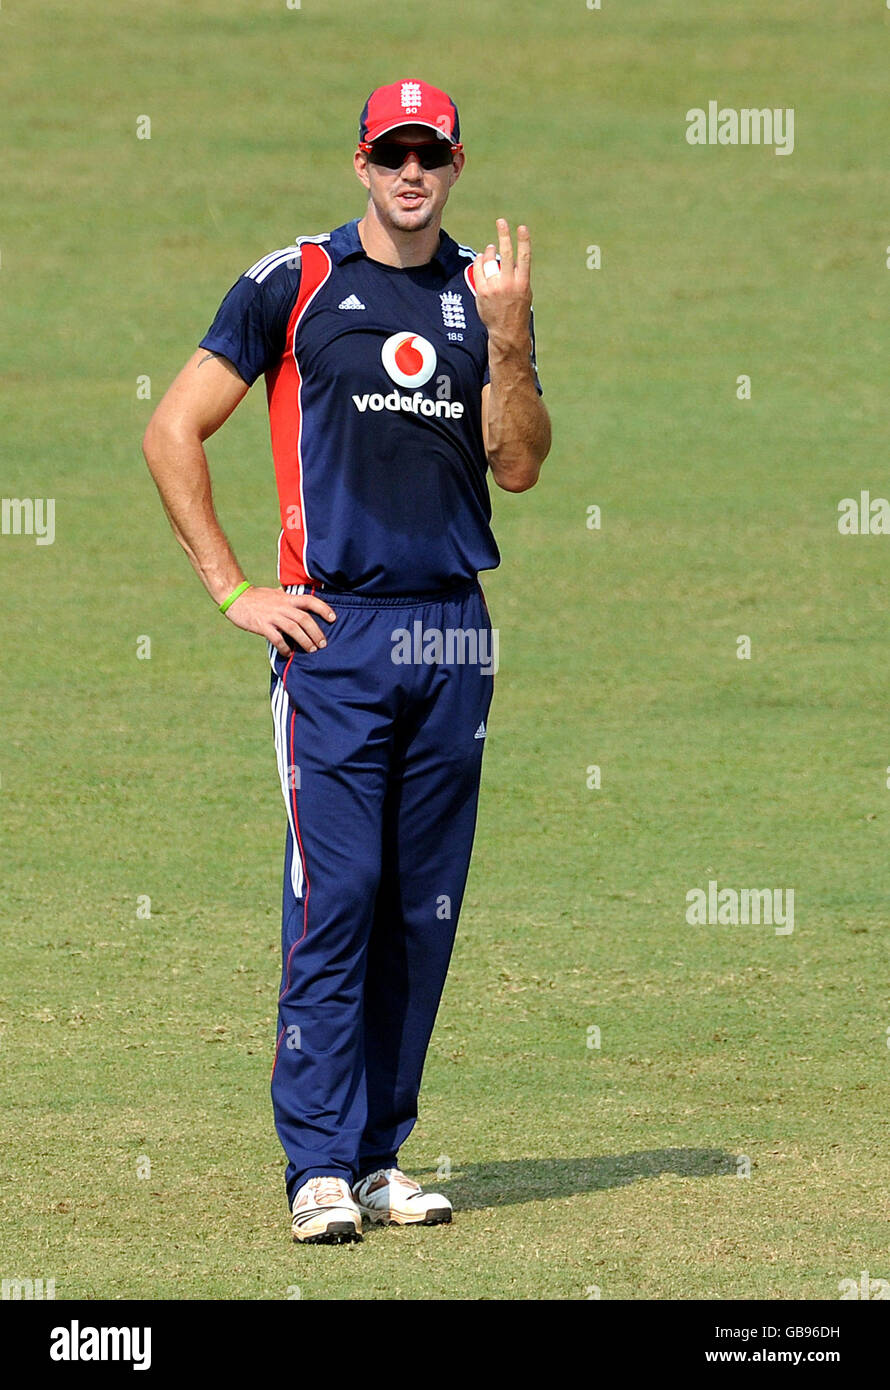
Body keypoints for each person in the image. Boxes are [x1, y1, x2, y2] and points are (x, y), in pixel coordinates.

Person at [143, 78, 551, 1244]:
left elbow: (517, 467)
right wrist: (231, 587)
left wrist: (512, 344)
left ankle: (377, 1159)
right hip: (333, 639)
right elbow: (173, 427)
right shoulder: (292, 282)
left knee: (421, 911)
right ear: (360, 163)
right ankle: (313, 1166)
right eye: (392, 154)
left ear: (455, 165)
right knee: (340, 898)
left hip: (452, 632)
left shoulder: (485, 297)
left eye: (431, 154)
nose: (411, 173)